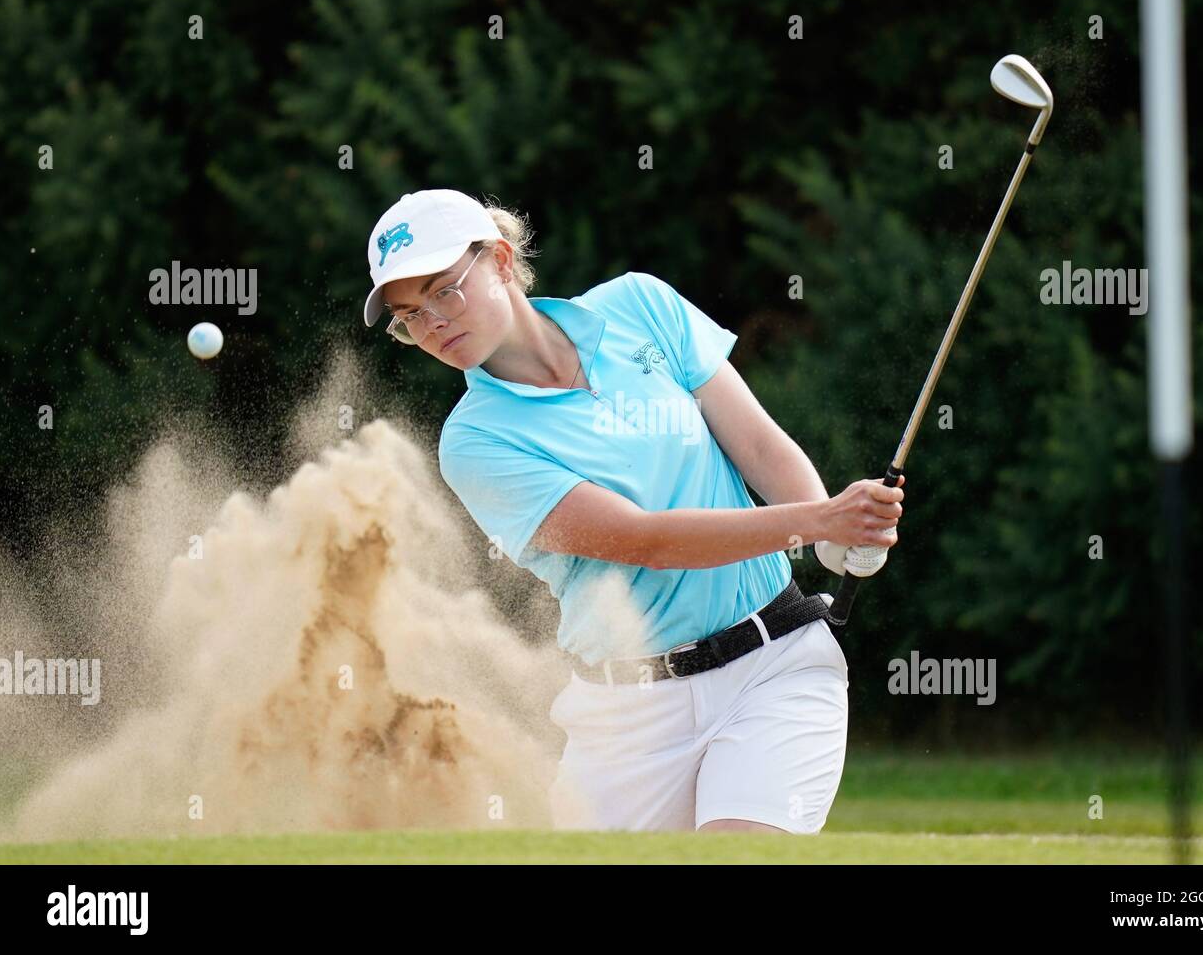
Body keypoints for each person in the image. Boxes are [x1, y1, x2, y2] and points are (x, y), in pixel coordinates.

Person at [360, 189, 905, 833]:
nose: (432, 325)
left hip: (774, 667)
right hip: (625, 718)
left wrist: (830, 531)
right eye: (408, 316)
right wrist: (817, 523)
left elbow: (757, 444)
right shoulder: (475, 442)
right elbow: (643, 540)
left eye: (442, 291)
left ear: (501, 261)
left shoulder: (640, 305)